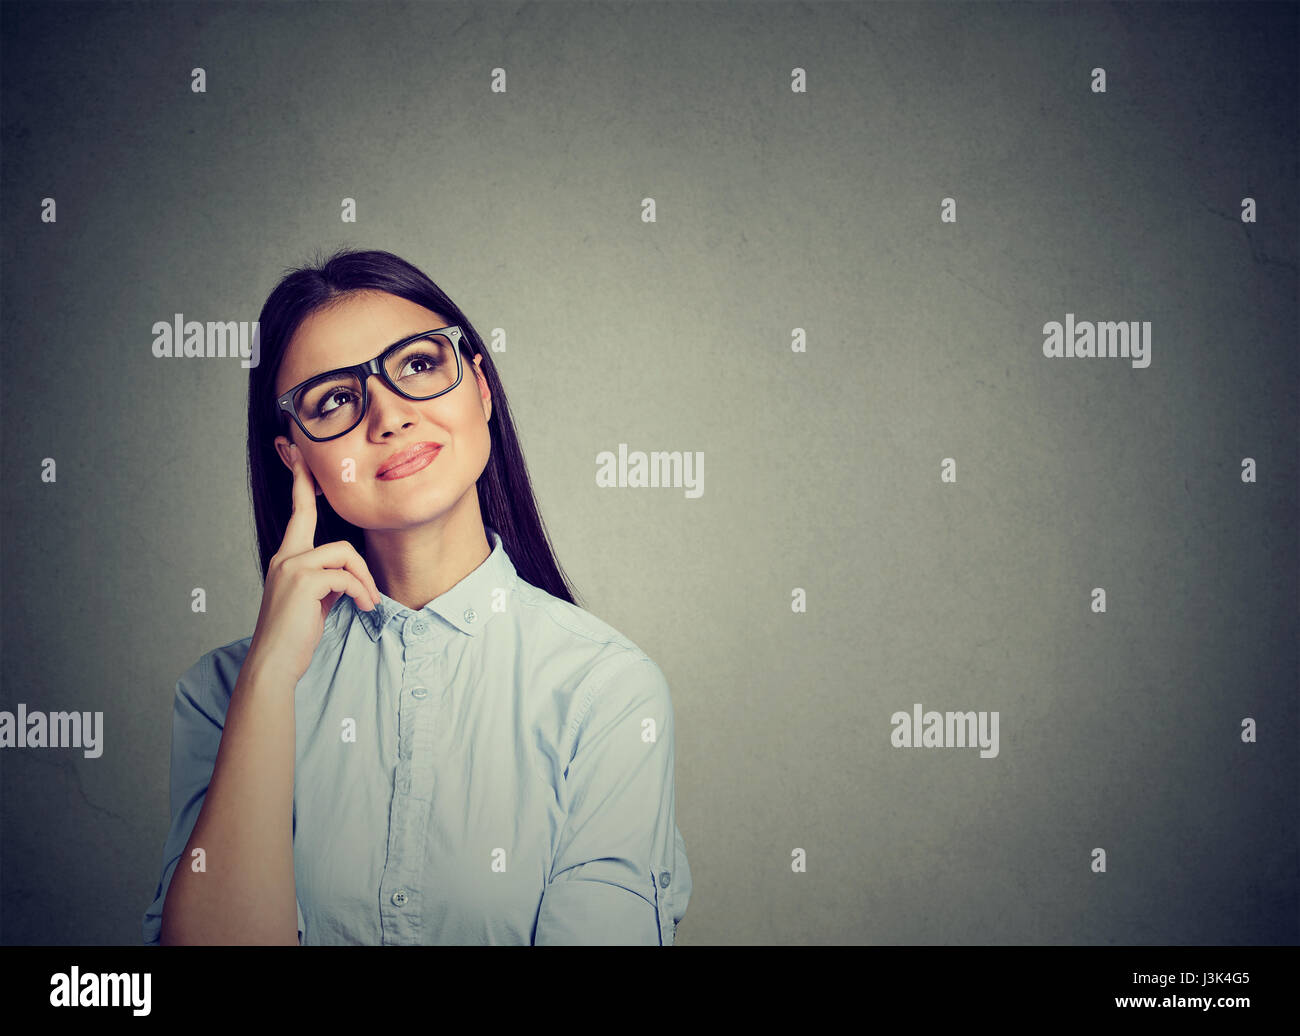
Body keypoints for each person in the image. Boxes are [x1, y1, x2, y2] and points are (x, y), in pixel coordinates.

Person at [141, 248, 690, 945]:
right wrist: (270, 678)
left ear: (480, 388)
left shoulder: (606, 691)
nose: (390, 417)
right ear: (295, 456)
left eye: (419, 365)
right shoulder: (221, 692)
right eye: (336, 398)